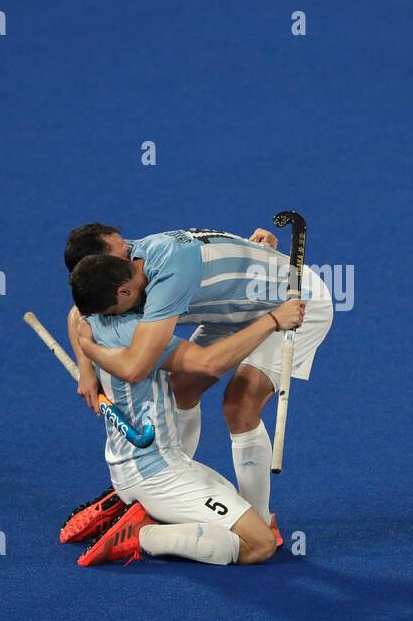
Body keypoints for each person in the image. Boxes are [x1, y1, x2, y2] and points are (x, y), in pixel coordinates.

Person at [65, 225, 334, 530]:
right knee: (182, 385)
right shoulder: (117, 269)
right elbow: (79, 313)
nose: (130, 250)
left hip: (293, 303)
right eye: (122, 250)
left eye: (126, 247)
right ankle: (174, 486)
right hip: (233, 305)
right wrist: (85, 371)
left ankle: (260, 519)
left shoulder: (160, 272)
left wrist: (89, 349)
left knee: (240, 403)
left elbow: (137, 367)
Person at [69, 297, 306, 567]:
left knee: (236, 509)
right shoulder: (143, 337)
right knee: (260, 544)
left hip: (147, 464)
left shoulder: (94, 319)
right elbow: (210, 363)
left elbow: (76, 311)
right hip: (157, 476)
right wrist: (275, 320)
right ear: (120, 292)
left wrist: (86, 365)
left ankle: (146, 509)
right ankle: (142, 533)